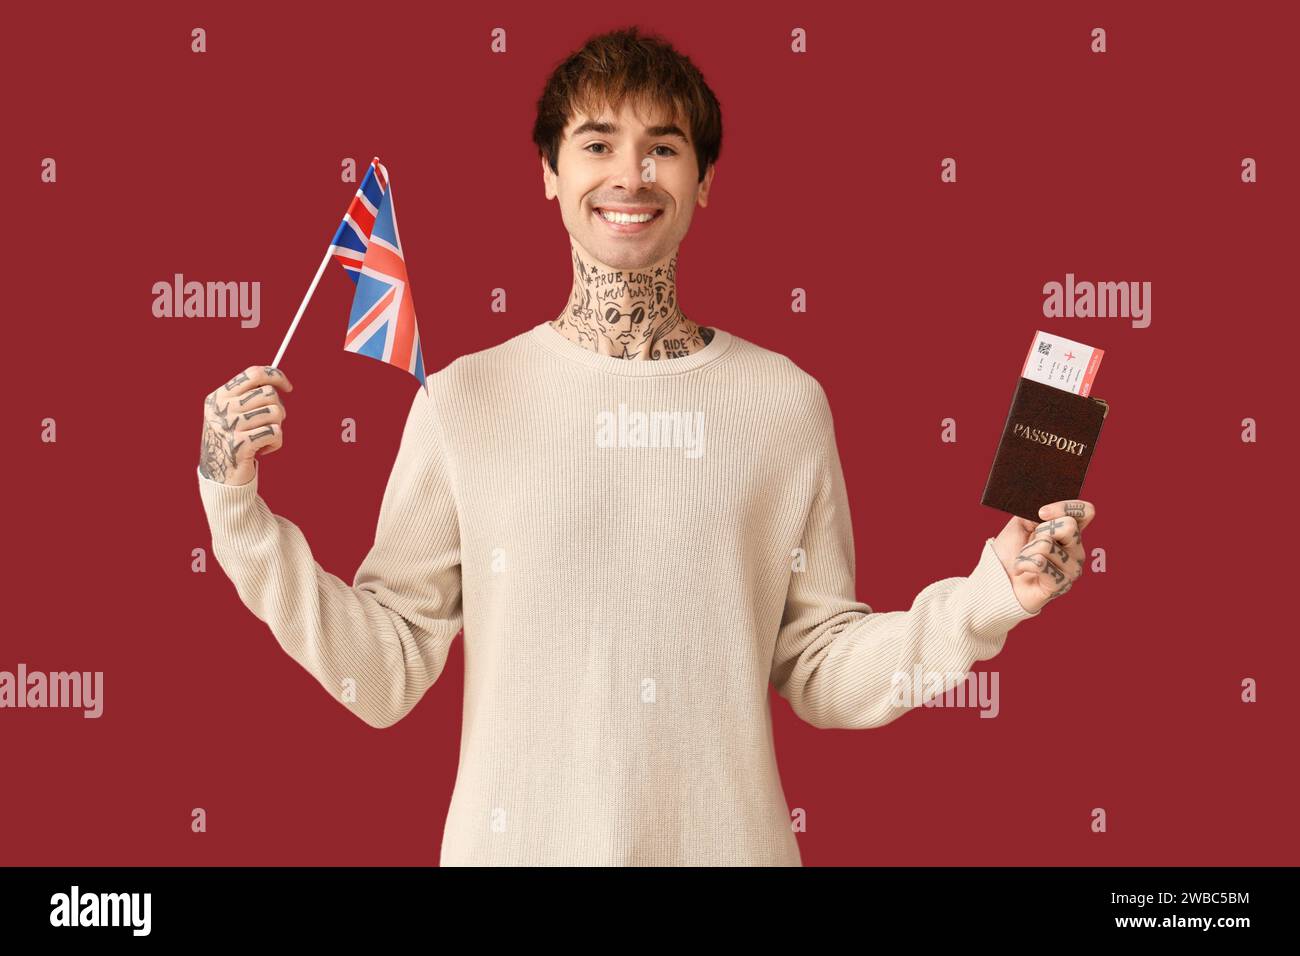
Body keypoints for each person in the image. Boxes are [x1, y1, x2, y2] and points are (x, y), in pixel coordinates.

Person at [196, 26, 1095, 866]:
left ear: (704, 179)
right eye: (596, 144)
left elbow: (820, 667)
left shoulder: (783, 404)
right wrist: (237, 513)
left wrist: (988, 601)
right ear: (548, 172)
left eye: (663, 146)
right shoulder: (463, 401)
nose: (630, 174)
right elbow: (386, 671)